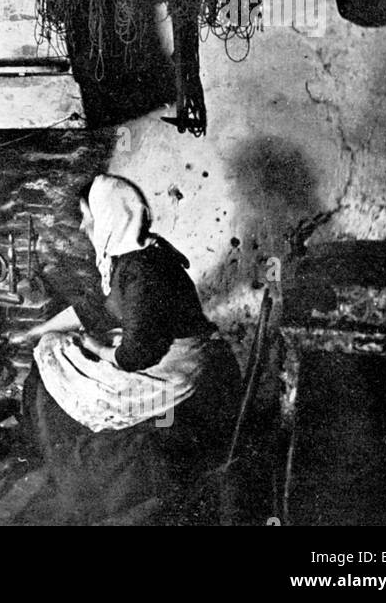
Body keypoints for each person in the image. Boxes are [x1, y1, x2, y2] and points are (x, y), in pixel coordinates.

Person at [12, 174, 241, 523]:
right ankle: (53, 459)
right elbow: (96, 308)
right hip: (160, 351)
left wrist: (94, 346)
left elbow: (134, 356)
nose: (85, 226)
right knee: (51, 346)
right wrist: (39, 329)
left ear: (109, 217)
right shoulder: (132, 253)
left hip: (176, 368)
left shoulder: (142, 272)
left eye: (89, 217)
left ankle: (74, 480)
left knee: (58, 363)